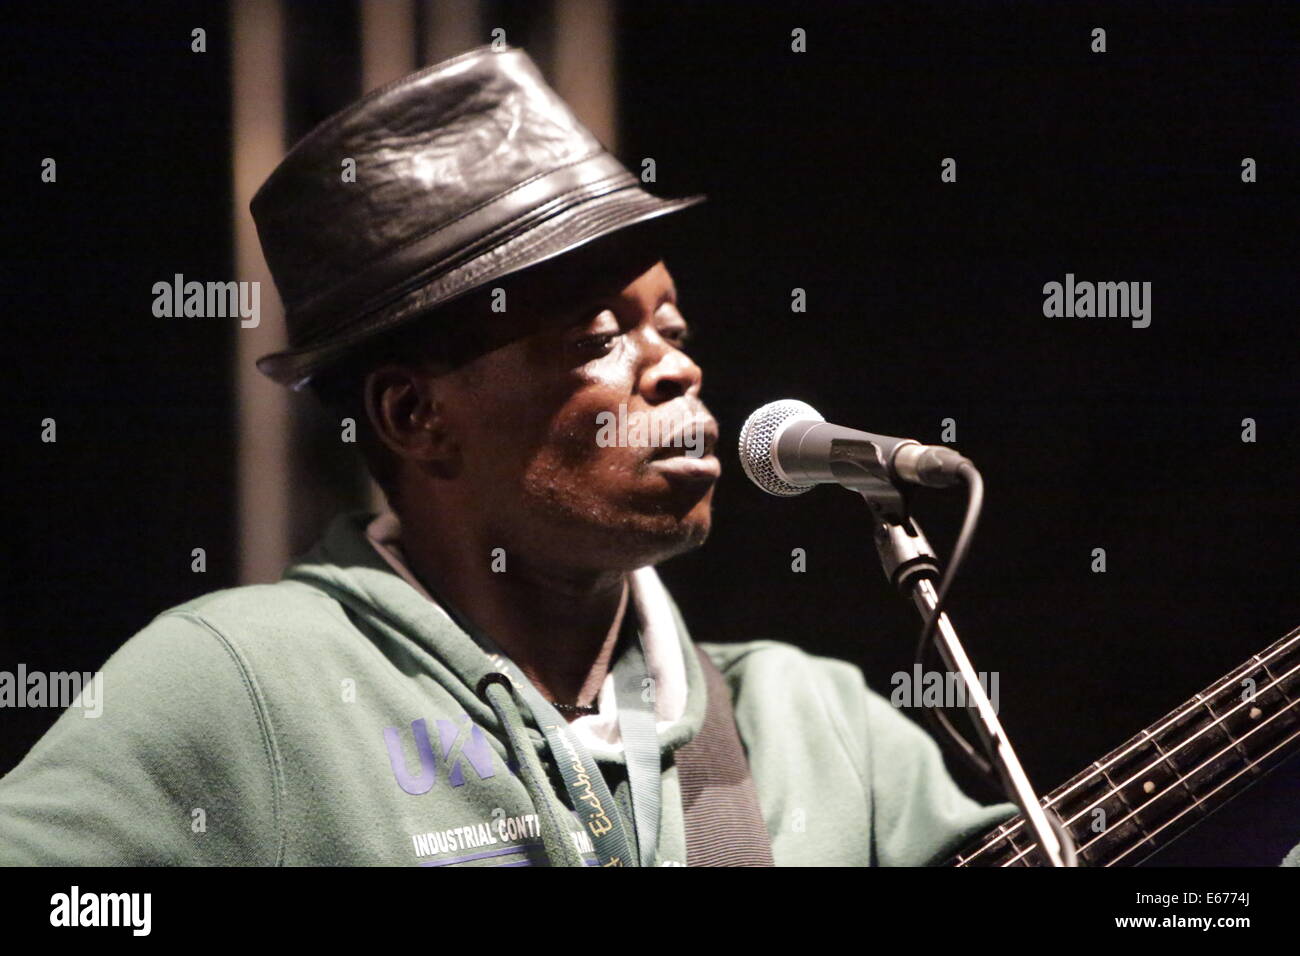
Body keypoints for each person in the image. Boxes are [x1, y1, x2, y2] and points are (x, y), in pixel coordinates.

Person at [0, 44, 1014, 866]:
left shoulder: (816, 724)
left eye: (673, 326)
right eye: (600, 337)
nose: (673, 371)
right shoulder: (240, 682)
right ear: (415, 414)